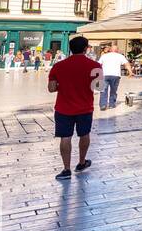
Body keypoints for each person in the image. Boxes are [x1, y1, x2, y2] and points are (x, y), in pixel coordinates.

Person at [49, 36, 100, 180]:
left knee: (65, 137)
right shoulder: (95, 66)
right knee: (84, 134)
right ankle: (82, 162)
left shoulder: (58, 66)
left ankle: (66, 169)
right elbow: (99, 87)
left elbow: (51, 88)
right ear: (86, 48)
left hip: (63, 108)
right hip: (85, 107)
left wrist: (63, 85)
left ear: (70, 49)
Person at [97, 43, 130, 110]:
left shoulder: (104, 56)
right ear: (117, 50)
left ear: (110, 50)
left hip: (105, 75)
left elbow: (98, 64)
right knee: (113, 90)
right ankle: (111, 104)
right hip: (115, 75)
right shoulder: (120, 56)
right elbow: (127, 64)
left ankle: (103, 105)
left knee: (103, 90)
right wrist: (130, 72)